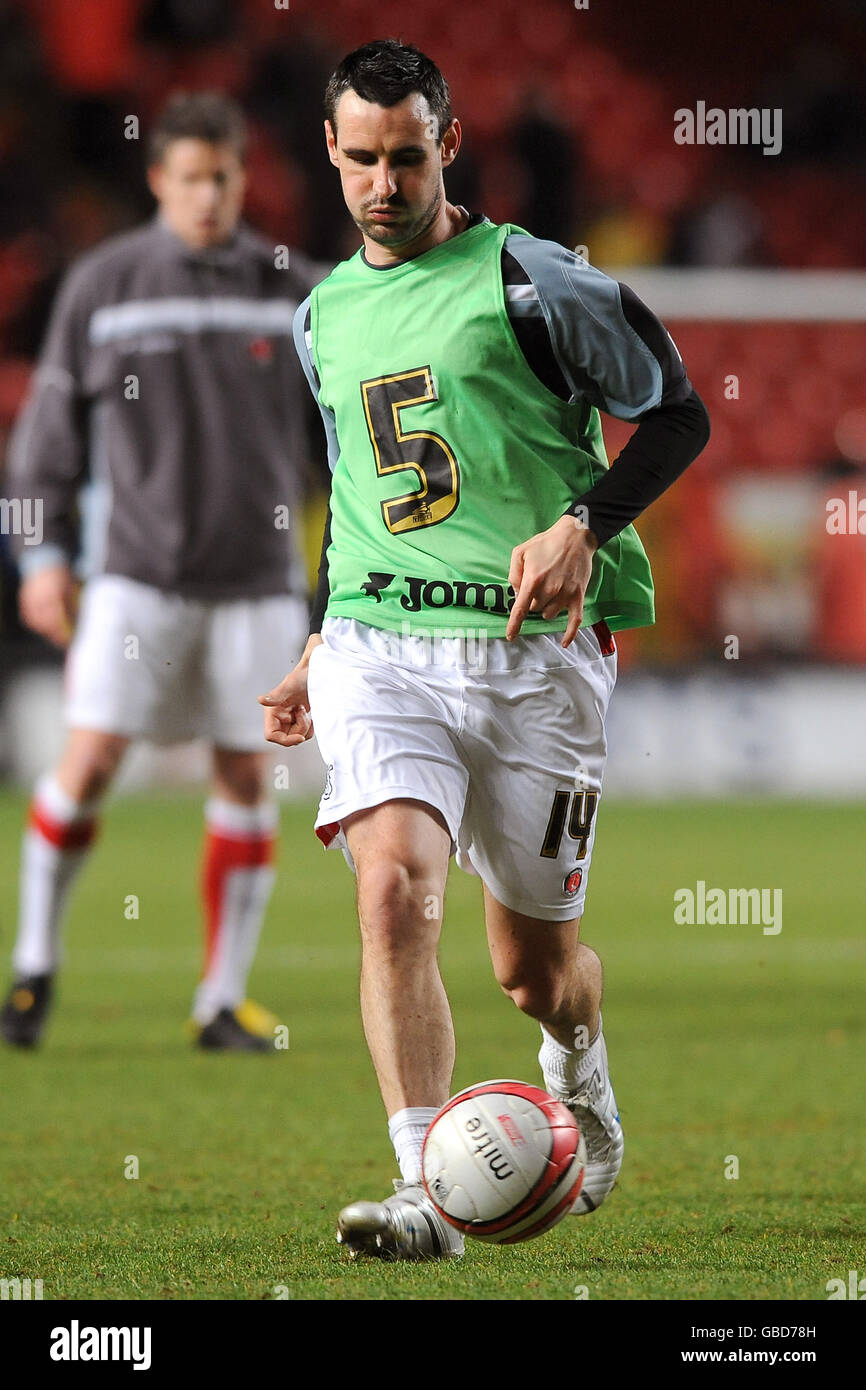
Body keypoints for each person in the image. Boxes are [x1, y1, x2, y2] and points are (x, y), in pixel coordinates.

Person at [260, 40, 710, 1257]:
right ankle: (423, 1187)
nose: (382, 184)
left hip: (529, 661)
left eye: (406, 158)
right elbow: (356, 490)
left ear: (446, 146)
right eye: (359, 159)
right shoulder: (320, 313)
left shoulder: (533, 281)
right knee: (391, 891)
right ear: (331, 152)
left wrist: (583, 524)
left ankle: (580, 1069)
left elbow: (679, 411)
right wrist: (318, 634)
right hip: (379, 649)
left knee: (532, 974)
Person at [2, 91, 322, 1051]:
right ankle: (32, 971)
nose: (210, 196)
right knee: (90, 760)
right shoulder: (104, 285)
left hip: (260, 578)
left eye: (224, 177)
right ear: (158, 181)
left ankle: (221, 1000)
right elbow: (44, 442)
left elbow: (352, 429)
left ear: (242, 176)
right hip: (134, 577)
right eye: (191, 179)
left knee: (244, 774)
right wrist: (42, 556)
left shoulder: (292, 286)